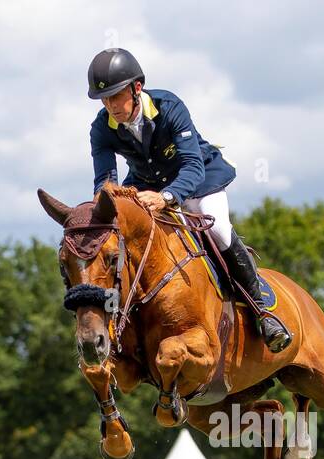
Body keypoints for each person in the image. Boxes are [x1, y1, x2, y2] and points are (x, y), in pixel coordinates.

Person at [84, 48, 292, 352]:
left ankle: (262, 311)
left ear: (136, 88)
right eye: (104, 99)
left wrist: (168, 197)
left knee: (217, 227)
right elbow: (106, 182)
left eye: (116, 96)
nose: (110, 106)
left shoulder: (169, 107)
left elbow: (192, 165)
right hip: (146, 182)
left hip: (197, 176)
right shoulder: (101, 128)